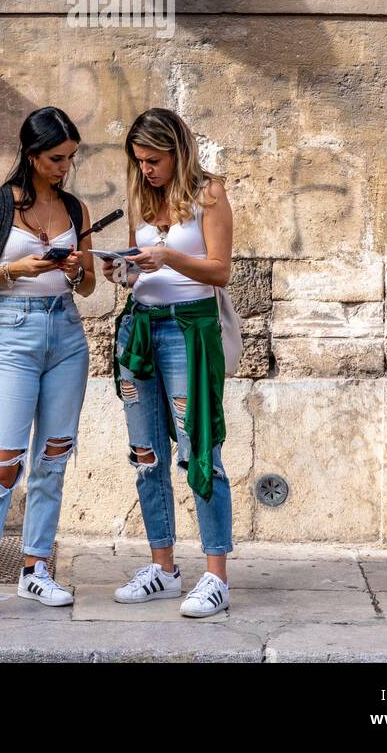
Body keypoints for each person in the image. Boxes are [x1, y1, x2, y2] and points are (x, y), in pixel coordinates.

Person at [0, 106, 94, 624]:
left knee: (54, 458)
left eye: (71, 158)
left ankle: (35, 570)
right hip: (14, 330)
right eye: (57, 158)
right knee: (2, 461)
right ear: (31, 156)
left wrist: (77, 269)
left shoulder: (76, 209)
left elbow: (90, 285)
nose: (65, 167)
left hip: (68, 335)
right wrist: (13, 269)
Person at [105, 107, 234, 617]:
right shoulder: (145, 198)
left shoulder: (210, 194)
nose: (146, 170)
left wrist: (168, 258)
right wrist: (127, 273)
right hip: (142, 325)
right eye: (139, 162)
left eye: (154, 160)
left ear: (177, 152)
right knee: (146, 452)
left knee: (199, 446)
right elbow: (147, 271)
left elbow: (220, 270)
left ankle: (215, 574)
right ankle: (163, 566)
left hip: (189, 330)